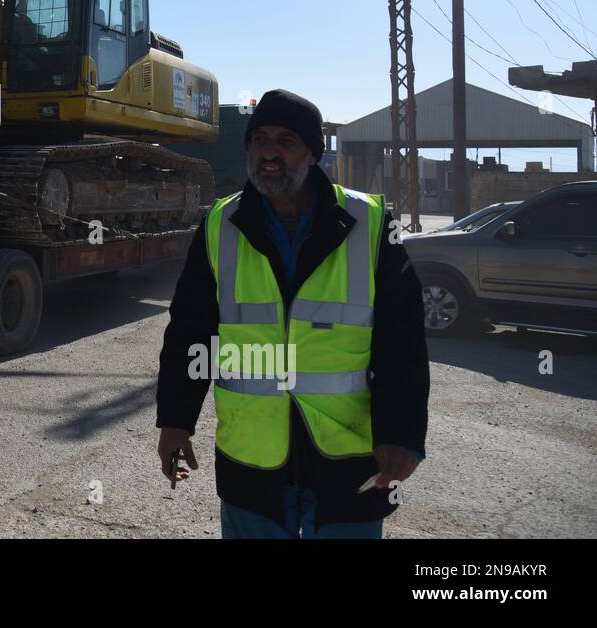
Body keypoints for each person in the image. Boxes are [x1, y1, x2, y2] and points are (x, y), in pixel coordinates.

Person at [156, 89, 429, 538]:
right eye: (260, 139)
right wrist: (175, 420)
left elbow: (403, 341)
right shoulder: (219, 225)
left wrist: (403, 434)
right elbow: (189, 331)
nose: (269, 152)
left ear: (312, 154)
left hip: (348, 458)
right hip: (252, 461)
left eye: (285, 140)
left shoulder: (373, 223)